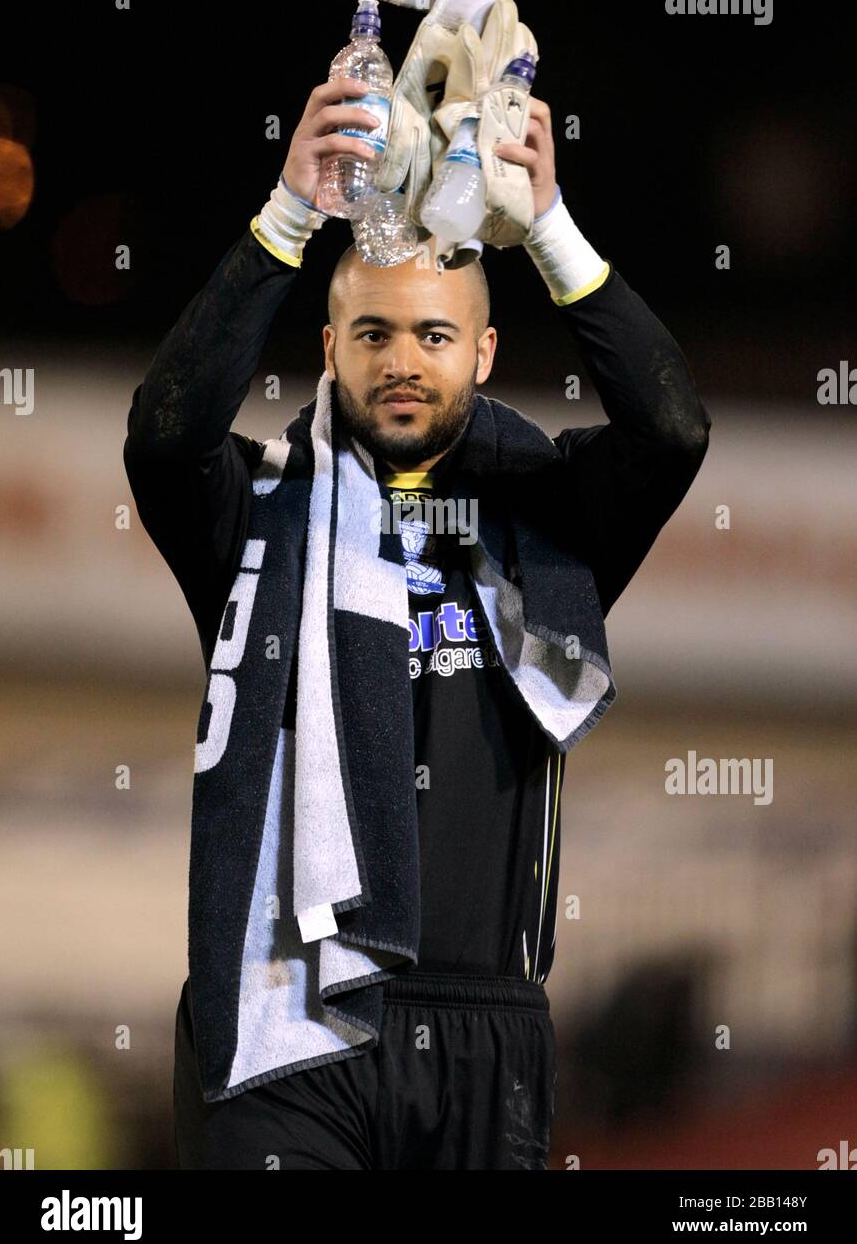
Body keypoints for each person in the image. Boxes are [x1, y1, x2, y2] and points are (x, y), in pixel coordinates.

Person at [123, 76, 711, 1170]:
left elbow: (671, 427)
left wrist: (543, 224)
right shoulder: (257, 506)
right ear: (330, 348)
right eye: (374, 332)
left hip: (486, 1040)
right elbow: (162, 436)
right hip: (278, 1014)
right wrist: (288, 213)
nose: (403, 360)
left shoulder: (549, 516)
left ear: (481, 355)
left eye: (435, 334)